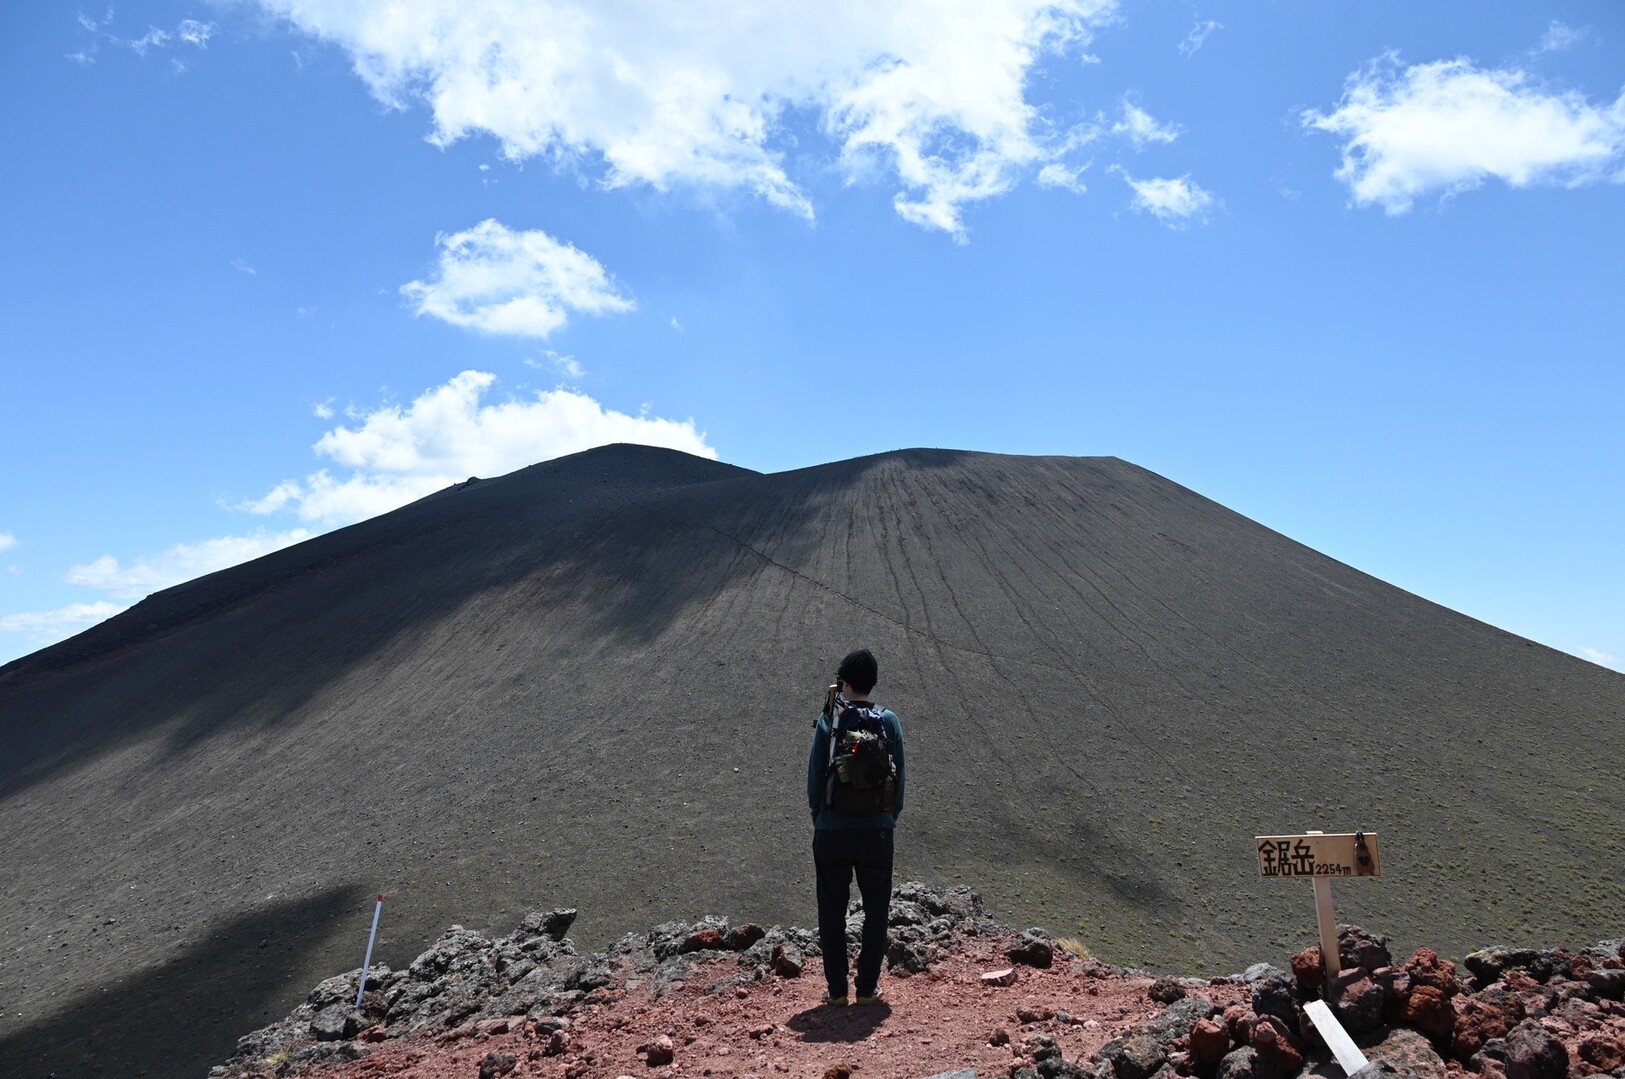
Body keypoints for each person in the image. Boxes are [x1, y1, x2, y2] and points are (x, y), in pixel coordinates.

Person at [807, 648, 905, 1007]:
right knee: (876, 909)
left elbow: (816, 776)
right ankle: (866, 989)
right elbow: (900, 779)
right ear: (873, 682)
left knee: (832, 909)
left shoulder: (830, 721)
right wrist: (886, 819)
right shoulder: (890, 722)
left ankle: (836, 991)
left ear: (844, 683)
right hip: (877, 832)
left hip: (832, 831)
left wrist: (822, 818)